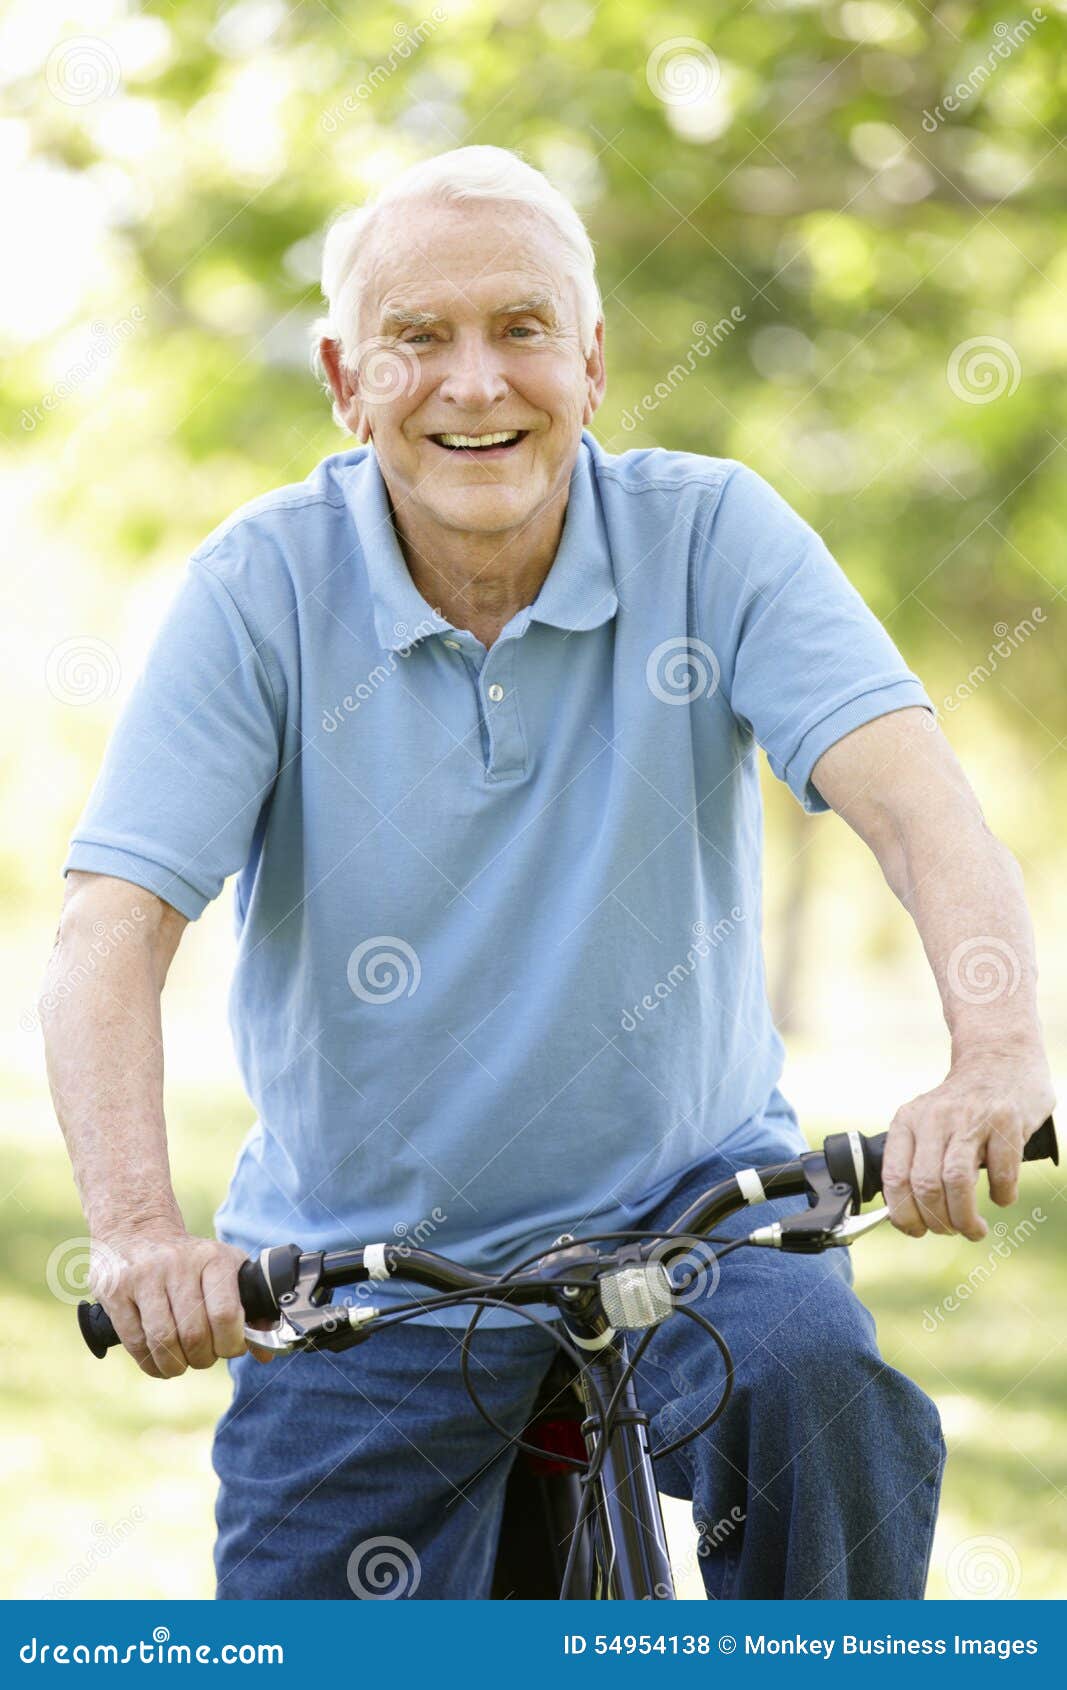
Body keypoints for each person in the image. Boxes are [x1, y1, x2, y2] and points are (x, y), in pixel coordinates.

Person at [42, 145, 1055, 1600]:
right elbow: (110, 933)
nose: (476, 383)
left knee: (816, 1384)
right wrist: (141, 1235)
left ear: (591, 360)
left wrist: (995, 1055)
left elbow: (917, 806)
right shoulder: (258, 590)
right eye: (419, 339)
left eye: (521, 331)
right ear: (345, 377)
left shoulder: (713, 534)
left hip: (698, 1216)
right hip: (358, 1274)